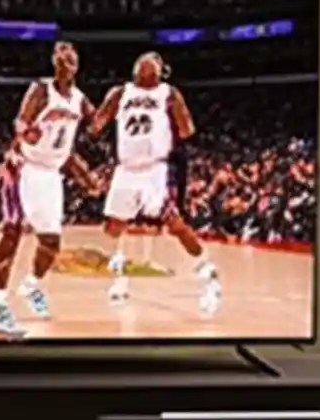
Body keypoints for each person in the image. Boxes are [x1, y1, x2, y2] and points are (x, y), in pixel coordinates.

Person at [0, 41, 101, 338]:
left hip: (51, 174)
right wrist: (27, 132)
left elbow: (96, 125)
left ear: (77, 65)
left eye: (70, 59)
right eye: (61, 59)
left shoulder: (79, 100)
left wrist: (87, 176)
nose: (66, 63)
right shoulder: (41, 89)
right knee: (12, 233)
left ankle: (30, 285)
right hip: (24, 166)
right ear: (54, 63)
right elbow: (20, 121)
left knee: (51, 242)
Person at [90, 52, 222, 316]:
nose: (146, 66)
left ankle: (206, 268)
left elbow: (187, 129)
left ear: (160, 71)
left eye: (153, 63)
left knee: (172, 221)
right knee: (113, 227)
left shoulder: (168, 94)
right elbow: (96, 124)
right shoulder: (119, 93)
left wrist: (175, 119)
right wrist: (95, 118)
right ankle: (120, 275)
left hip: (155, 169)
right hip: (126, 169)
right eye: (143, 62)